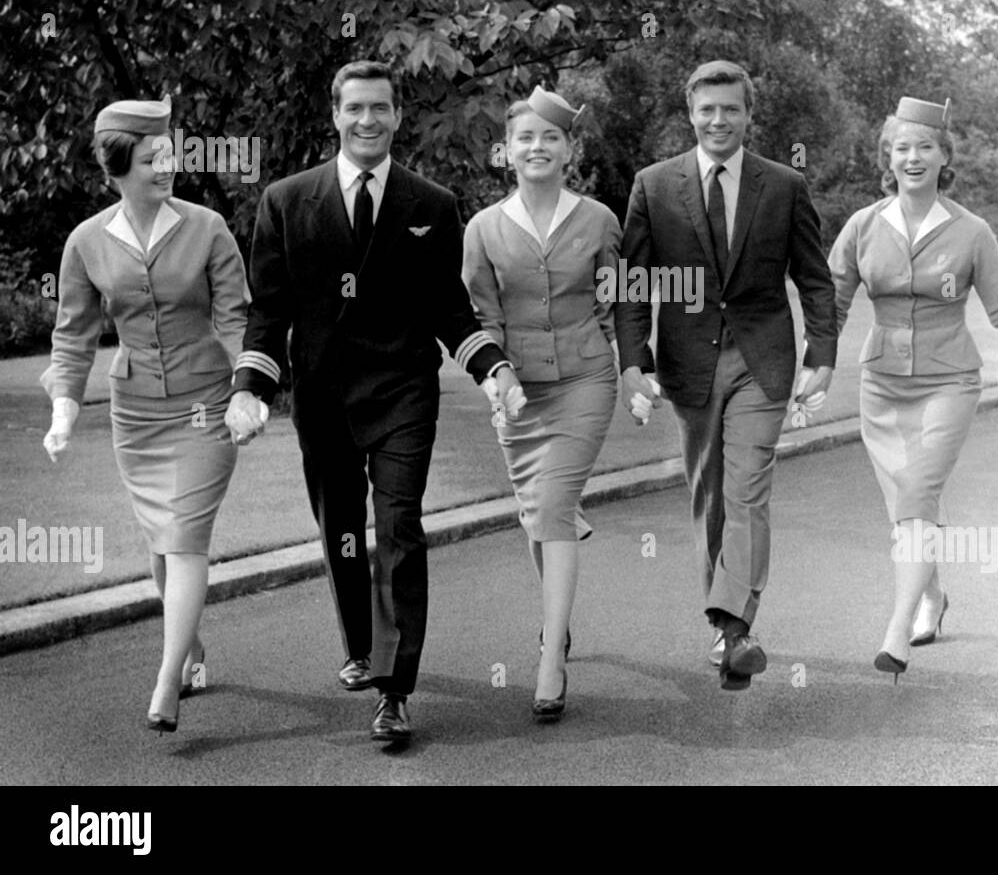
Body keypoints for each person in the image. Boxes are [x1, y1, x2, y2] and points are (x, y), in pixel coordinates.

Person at [224, 60, 520, 744]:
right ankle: (359, 643)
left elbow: (450, 307)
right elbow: (268, 312)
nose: (367, 120)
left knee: (401, 528)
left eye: (380, 108)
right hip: (322, 395)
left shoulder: (432, 205)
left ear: (396, 115)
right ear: (335, 114)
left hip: (402, 393)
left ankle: (394, 688)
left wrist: (493, 369)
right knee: (342, 533)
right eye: (354, 108)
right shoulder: (285, 201)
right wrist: (249, 391)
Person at [615, 59, 837, 691]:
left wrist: (822, 354)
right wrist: (634, 361)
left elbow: (814, 278)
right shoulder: (654, 186)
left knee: (747, 492)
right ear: (690, 113)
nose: (719, 120)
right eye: (707, 109)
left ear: (749, 115)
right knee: (709, 492)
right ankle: (724, 621)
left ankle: (737, 628)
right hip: (689, 363)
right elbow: (633, 286)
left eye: (731, 109)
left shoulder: (784, 185)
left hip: (762, 362)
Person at [42, 95, 249, 733]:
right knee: (161, 544)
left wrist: (247, 387)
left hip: (204, 406)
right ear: (117, 164)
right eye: (152, 156)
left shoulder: (208, 227)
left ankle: (165, 683)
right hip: (133, 415)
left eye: (171, 152)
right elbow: (73, 335)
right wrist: (64, 409)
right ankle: (187, 645)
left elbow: (237, 316)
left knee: (184, 535)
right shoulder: (86, 242)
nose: (167, 165)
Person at [828, 96, 998, 682]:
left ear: (945, 157)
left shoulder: (972, 231)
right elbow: (832, 304)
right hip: (883, 385)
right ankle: (933, 596)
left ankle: (896, 634)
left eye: (926, 147)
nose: (913, 157)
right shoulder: (862, 226)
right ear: (888, 159)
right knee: (906, 507)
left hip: (949, 381)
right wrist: (811, 364)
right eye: (902, 148)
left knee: (919, 493)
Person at [462, 87, 620, 722]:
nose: (538, 148)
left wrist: (636, 372)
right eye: (526, 137)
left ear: (569, 149)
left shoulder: (601, 221)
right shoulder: (483, 228)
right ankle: (558, 627)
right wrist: (497, 379)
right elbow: (480, 314)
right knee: (538, 515)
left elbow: (617, 305)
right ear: (508, 149)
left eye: (550, 138)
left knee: (552, 507)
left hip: (585, 382)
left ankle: (550, 657)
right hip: (516, 391)